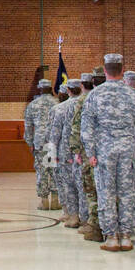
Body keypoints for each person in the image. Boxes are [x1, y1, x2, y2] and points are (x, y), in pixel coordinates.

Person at [81, 54, 135, 252]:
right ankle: (126, 236)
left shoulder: (95, 95)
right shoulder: (134, 94)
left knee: (106, 193)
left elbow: (87, 126)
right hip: (128, 151)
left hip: (104, 152)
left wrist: (91, 151)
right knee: (128, 193)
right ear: (122, 70)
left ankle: (111, 237)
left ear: (105, 71)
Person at [69, 71, 101, 238]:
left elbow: (77, 127)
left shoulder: (85, 99)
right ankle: (121, 230)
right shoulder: (128, 94)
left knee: (92, 189)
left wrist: (76, 150)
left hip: (90, 151)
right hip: (120, 151)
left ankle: (95, 225)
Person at [49, 79, 84, 227]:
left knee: (68, 185)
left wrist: (51, 154)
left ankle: (72, 215)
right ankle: (86, 217)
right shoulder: (86, 103)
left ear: (68, 90)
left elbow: (54, 134)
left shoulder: (60, 108)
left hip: (66, 152)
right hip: (85, 152)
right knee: (83, 185)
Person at [24, 79, 58, 210]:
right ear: (50, 89)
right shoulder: (58, 103)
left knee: (42, 171)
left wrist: (30, 142)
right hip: (54, 142)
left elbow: (28, 126)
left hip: (39, 142)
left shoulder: (33, 105)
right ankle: (55, 199)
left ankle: (44, 200)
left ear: (40, 89)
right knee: (54, 169)